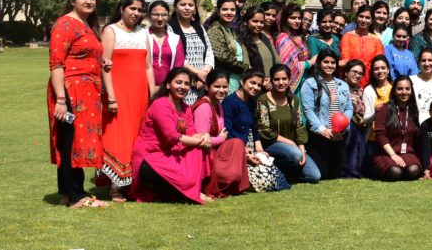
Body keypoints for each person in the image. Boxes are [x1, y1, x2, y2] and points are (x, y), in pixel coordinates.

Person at [48, 0, 108, 208]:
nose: (89, 1)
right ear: (72, 0)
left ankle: (67, 193)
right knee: (71, 143)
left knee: (73, 141)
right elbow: (56, 64)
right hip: (71, 92)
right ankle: (76, 196)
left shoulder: (88, 24)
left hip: (88, 93)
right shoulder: (65, 24)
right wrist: (61, 100)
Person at [100, 0, 157, 200]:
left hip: (140, 94)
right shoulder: (110, 31)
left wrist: (152, 94)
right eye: (132, 8)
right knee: (119, 136)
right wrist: (112, 97)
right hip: (119, 94)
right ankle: (115, 186)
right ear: (122, 8)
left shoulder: (144, 33)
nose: (136, 13)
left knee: (137, 137)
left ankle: (133, 182)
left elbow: (148, 66)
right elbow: (105, 66)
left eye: (140, 10)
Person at [129, 68, 212, 204]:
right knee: (188, 173)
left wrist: (204, 136)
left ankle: (191, 189)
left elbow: (192, 132)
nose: (183, 87)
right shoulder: (160, 105)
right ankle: (191, 190)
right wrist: (200, 141)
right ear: (168, 84)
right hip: (150, 157)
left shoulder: (186, 107)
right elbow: (172, 136)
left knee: (198, 149)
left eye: (186, 84)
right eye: (178, 82)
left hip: (172, 155)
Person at [258, 64, 321, 184]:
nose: (281, 82)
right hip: (271, 144)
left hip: (294, 149)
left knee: (315, 176)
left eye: (284, 79)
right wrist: (291, 143)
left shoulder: (293, 100)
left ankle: (285, 175)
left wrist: (302, 148)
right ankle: (276, 168)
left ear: (289, 79)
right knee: (295, 155)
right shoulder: (263, 100)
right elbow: (265, 129)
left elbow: (299, 125)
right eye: (277, 79)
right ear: (271, 80)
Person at [191, 70, 250, 198]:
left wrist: (221, 138)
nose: (222, 90)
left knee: (237, 143)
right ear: (207, 87)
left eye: (225, 87)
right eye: (217, 86)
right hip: (204, 155)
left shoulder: (218, 105)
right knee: (232, 175)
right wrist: (221, 139)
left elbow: (222, 132)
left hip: (215, 150)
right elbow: (202, 141)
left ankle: (233, 179)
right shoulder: (204, 107)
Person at [300, 50, 353, 180]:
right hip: (319, 136)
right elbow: (308, 110)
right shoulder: (309, 83)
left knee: (334, 175)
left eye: (333, 62)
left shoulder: (343, 85)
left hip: (338, 135)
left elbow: (348, 108)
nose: (330, 65)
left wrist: (342, 128)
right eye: (326, 62)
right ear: (319, 63)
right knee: (322, 175)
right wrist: (323, 130)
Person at [372, 75, 423, 181]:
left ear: (411, 91)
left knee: (414, 170)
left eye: (407, 89)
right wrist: (393, 155)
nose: (404, 92)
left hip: (407, 153)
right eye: (400, 89)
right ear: (394, 91)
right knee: (395, 172)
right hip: (386, 153)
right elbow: (380, 135)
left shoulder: (414, 111)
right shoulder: (384, 109)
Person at [169, 0, 214, 106]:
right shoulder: (170, 28)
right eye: (183, 5)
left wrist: (204, 74)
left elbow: (209, 52)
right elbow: (176, 56)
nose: (187, 8)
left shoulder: (199, 27)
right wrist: (197, 74)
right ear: (175, 6)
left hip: (201, 84)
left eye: (190, 5)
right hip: (182, 84)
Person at [209, 0, 248, 92]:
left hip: (237, 78)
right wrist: (246, 68)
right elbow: (223, 57)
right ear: (218, 11)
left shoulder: (230, 30)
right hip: (225, 80)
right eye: (225, 9)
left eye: (232, 10)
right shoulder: (215, 30)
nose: (229, 12)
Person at [340, 4, 385, 88]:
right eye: (361, 16)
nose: (364, 20)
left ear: (372, 20)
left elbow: (378, 64)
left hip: (370, 84)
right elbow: (346, 61)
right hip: (349, 84)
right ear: (356, 17)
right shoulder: (347, 37)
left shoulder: (376, 41)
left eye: (367, 18)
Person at [340, 60, 367, 178]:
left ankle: (355, 171)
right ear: (346, 72)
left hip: (361, 124)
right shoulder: (339, 86)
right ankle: (349, 172)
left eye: (360, 73)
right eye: (354, 72)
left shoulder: (361, 89)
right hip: (343, 124)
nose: (357, 75)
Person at [147, 0, 184, 87]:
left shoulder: (175, 39)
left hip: (168, 89)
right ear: (149, 16)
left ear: (168, 16)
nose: (160, 18)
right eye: (156, 15)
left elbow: (178, 67)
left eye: (164, 15)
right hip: (144, 86)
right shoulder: (142, 35)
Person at [275, 3, 310, 92]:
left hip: (304, 81)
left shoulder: (300, 37)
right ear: (285, 19)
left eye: (299, 18)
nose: (297, 21)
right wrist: (310, 63)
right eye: (293, 18)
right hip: (292, 83)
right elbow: (289, 65)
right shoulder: (283, 38)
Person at [239, 6, 277, 80]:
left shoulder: (264, 38)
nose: (259, 25)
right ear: (246, 22)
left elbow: (277, 60)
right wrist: (262, 81)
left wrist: (273, 78)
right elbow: (246, 67)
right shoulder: (243, 41)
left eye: (261, 22)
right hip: (255, 85)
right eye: (255, 21)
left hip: (272, 83)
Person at [363, 56, 394, 144]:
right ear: (372, 72)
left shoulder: (396, 88)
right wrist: (375, 113)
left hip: (393, 139)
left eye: (383, 68)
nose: (380, 71)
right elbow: (365, 119)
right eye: (376, 69)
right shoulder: (368, 90)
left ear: (388, 70)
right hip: (373, 139)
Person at [306, 9, 340, 74]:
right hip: (318, 76)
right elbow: (314, 62)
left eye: (330, 21)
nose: (327, 25)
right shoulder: (313, 39)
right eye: (324, 22)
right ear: (318, 23)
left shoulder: (336, 39)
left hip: (334, 76)